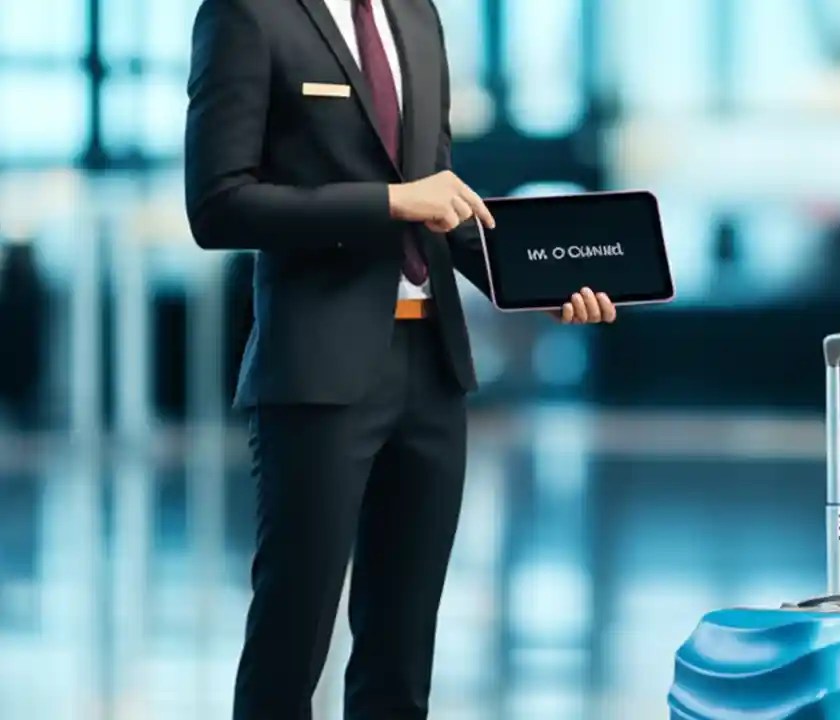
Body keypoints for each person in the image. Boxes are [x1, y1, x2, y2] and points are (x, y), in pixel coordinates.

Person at [184, 1, 617, 717]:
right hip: (318, 370)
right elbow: (219, 205)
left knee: (401, 655)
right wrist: (389, 201)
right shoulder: (248, 14)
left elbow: (436, 198)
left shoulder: (416, 15)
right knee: (290, 646)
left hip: (433, 367)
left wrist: (539, 283)